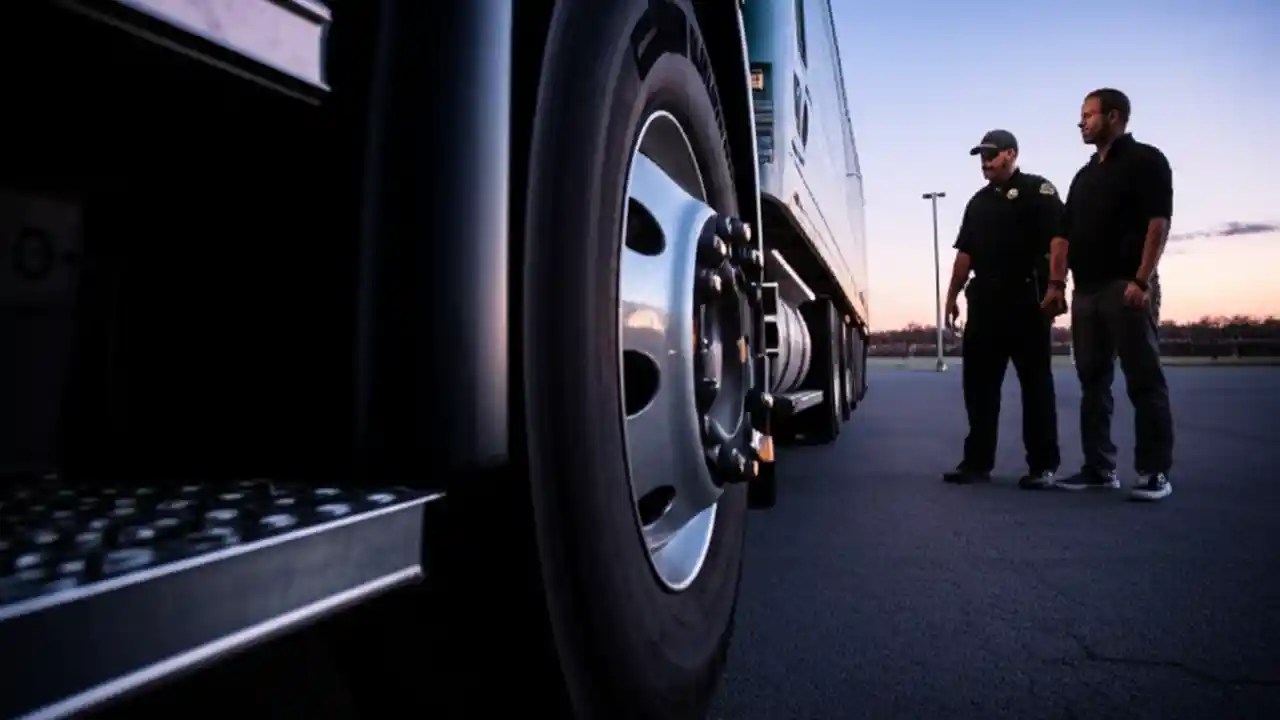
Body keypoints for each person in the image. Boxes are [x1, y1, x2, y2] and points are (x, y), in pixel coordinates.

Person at [1055, 88, 1174, 501]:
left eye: (1088, 115)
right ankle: (1099, 468)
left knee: (1143, 379)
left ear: (1114, 116)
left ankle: (1155, 472)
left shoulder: (1146, 161)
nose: (1082, 122)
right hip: (1085, 292)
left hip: (1126, 286)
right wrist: (1060, 285)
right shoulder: (1084, 176)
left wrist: (1142, 280)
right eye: (1081, 115)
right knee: (1093, 381)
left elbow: (1158, 224)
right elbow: (1066, 233)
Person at [941, 129, 1069, 489]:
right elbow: (964, 253)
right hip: (984, 304)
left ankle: (1043, 466)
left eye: (992, 154)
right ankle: (977, 463)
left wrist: (1057, 285)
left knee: (1035, 386)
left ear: (1011, 154)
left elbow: (1059, 240)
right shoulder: (977, 203)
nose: (985, 162)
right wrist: (951, 297)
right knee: (979, 387)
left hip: (1027, 301)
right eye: (982, 155)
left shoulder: (1037, 191)